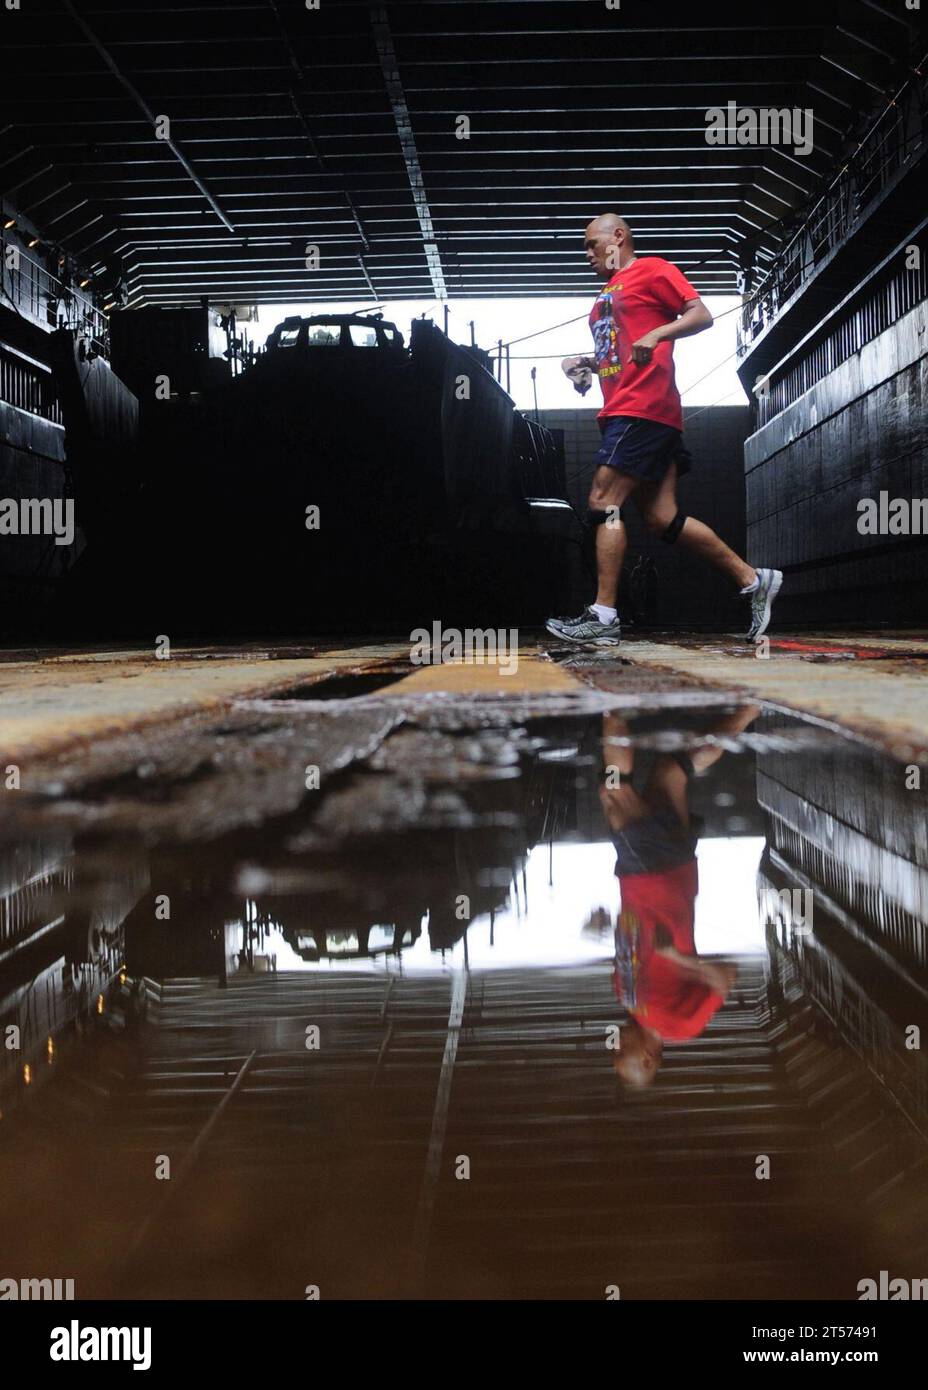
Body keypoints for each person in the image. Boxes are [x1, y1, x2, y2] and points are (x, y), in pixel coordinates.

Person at [545, 214, 781, 646]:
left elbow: (701, 314)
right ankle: (753, 579)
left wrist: (658, 334)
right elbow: (617, 356)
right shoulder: (605, 295)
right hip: (628, 411)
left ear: (618, 236)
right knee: (663, 519)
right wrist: (579, 367)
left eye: (589, 244)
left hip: (644, 407)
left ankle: (603, 617)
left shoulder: (652, 269)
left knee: (603, 500)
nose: (587, 254)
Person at [598, 707, 760, 1086]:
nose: (614, 1045)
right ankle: (610, 699)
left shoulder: (631, 1002)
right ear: (649, 1059)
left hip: (657, 877)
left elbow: (632, 941)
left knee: (671, 771)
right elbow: (726, 977)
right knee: (614, 790)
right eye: (622, 1054)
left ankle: (751, 707)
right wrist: (678, 958)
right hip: (654, 877)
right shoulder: (679, 1026)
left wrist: (605, 925)